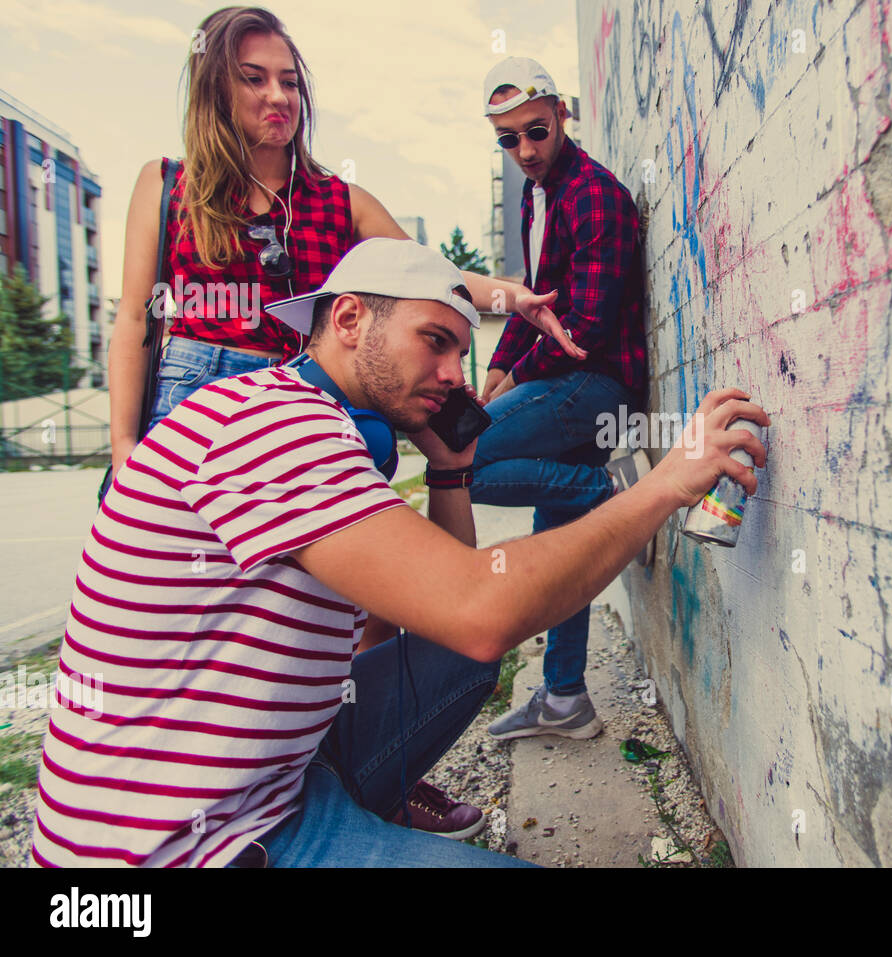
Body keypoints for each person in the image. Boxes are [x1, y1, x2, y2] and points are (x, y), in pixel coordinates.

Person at [29, 238, 768, 867]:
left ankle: (363, 809)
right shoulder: (278, 428)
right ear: (349, 318)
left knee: (467, 654)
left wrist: (450, 467)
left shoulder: (300, 413)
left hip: (272, 774)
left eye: (461, 349)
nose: (455, 373)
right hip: (182, 844)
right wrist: (662, 486)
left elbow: (438, 621)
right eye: (435, 341)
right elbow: (480, 608)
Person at [104, 6, 575, 837]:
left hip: (313, 396)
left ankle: (372, 771)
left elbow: (428, 275)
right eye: (254, 79)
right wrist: (124, 449)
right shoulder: (167, 182)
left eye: (289, 80)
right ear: (216, 89)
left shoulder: (336, 199)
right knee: (227, 632)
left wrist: (514, 296)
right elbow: (133, 319)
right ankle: (218, 795)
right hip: (195, 400)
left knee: (368, 602)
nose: (276, 95)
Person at [473, 58, 652, 743]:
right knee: (560, 544)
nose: (525, 150)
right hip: (566, 378)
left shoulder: (595, 197)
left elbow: (586, 329)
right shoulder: (536, 192)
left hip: (596, 380)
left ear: (562, 116)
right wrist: (498, 364)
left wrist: (519, 377)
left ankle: (606, 490)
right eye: (508, 140)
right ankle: (565, 696)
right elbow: (533, 295)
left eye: (536, 131)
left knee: (457, 457)